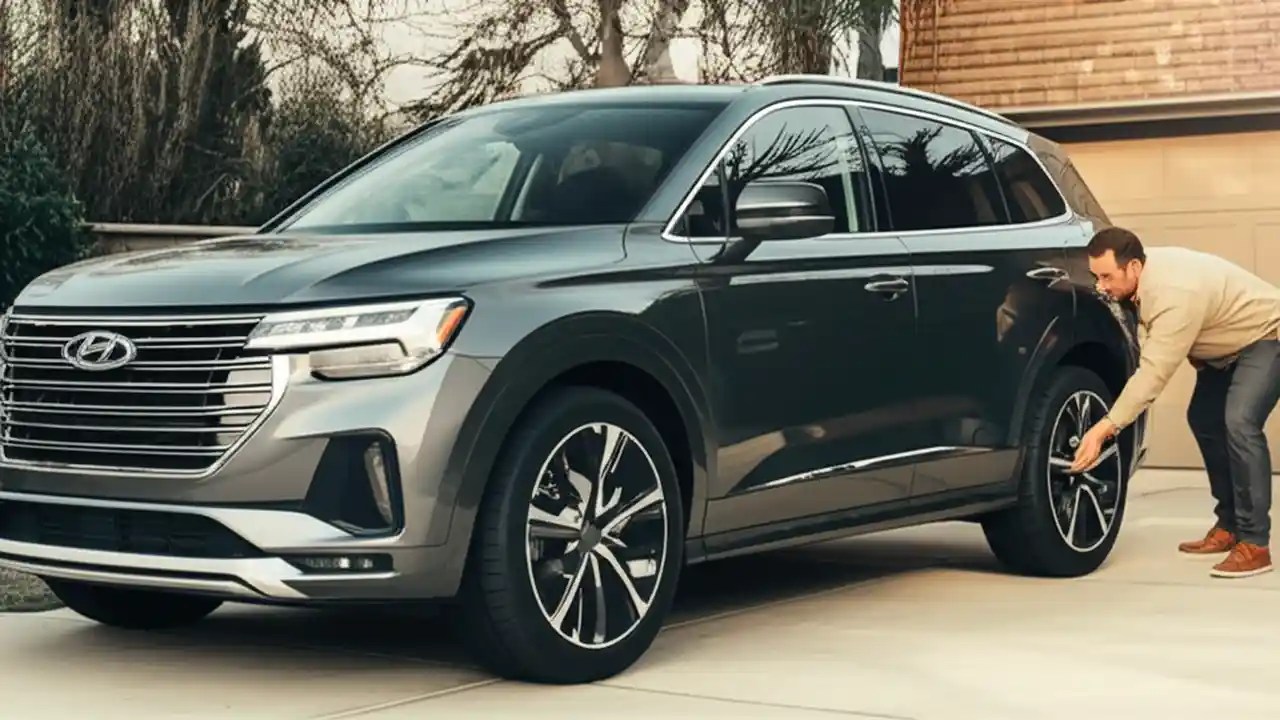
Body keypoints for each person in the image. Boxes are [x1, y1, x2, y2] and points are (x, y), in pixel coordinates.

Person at [1069, 227, 1280, 579]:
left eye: (1107, 277)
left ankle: (1255, 544)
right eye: (1096, 277)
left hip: (1266, 336)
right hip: (1223, 351)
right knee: (1203, 419)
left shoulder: (1174, 293)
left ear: (1133, 267)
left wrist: (1104, 428)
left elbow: (1154, 372)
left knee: (1240, 422)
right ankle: (1229, 525)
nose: (1101, 286)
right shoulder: (1137, 279)